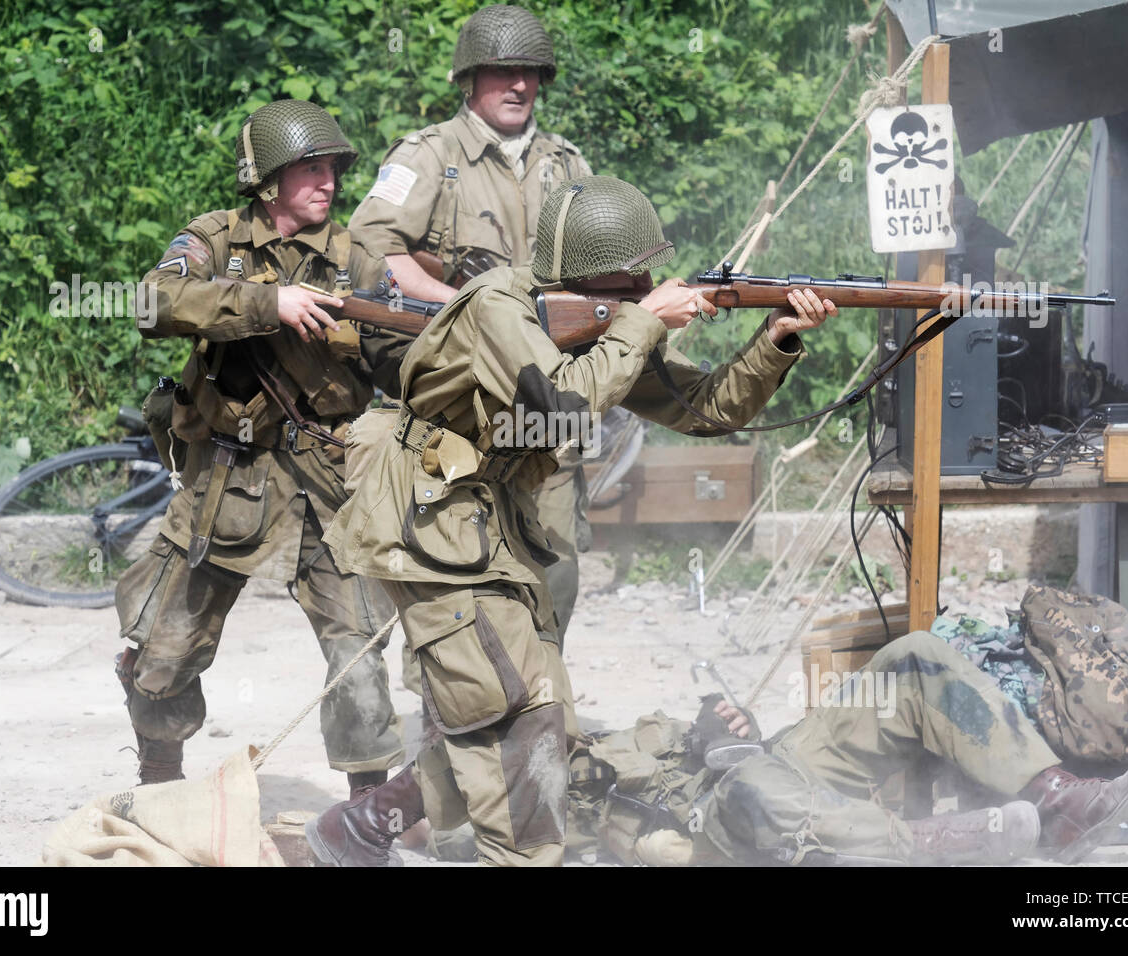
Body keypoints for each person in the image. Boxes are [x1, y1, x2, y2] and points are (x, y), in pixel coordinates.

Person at [306, 174, 833, 866]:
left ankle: (366, 822)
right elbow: (558, 408)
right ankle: (508, 852)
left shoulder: (608, 322)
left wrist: (775, 340)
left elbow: (706, 408)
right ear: (587, 275)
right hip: (429, 523)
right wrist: (645, 323)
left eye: (647, 274)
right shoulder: (499, 305)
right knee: (512, 717)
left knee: (537, 715)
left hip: (490, 523)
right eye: (630, 277)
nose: (646, 284)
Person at [113, 99, 407, 794]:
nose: (328, 181)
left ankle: (368, 820)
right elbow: (152, 302)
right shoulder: (215, 241)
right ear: (266, 179)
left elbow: (403, 359)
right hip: (227, 481)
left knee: (359, 657)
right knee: (161, 649)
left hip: (330, 488)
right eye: (309, 167)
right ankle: (161, 784)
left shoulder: (360, 261)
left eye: (333, 167)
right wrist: (264, 306)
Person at [316, 632, 1128, 867]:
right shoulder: (534, 774)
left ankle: (1057, 796)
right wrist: (383, 817)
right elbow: (485, 803)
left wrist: (716, 727)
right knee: (763, 799)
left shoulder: (570, 718)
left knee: (910, 661)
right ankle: (963, 843)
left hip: (760, 758)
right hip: (701, 818)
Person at [349, 3, 594, 644]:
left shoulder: (566, 165)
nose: (518, 85)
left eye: (530, 72)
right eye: (502, 71)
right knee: (450, 569)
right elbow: (372, 251)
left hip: (543, 399)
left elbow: (607, 265)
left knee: (554, 569)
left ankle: (542, 716)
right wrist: (460, 304)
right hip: (456, 406)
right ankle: (448, 727)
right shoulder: (429, 154)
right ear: (469, 78)